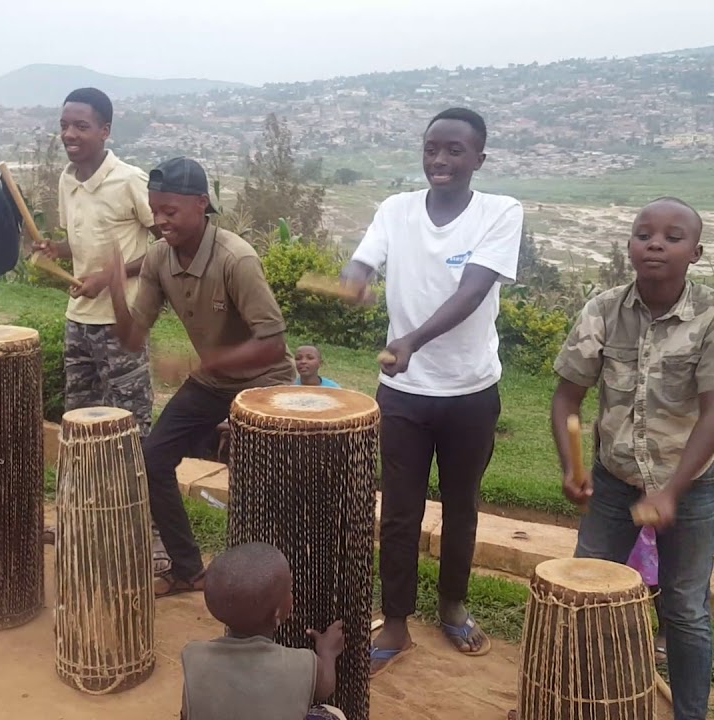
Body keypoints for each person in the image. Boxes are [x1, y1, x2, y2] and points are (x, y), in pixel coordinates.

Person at [551, 197, 714, 720]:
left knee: (684, 608)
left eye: (672, 236)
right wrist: (572, 465)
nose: (656, 243)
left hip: (691, 485)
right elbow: (566, 398)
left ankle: (690, 714)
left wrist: (670, 492)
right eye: (644, 234)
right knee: (586, 593)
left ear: (696, 253)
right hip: (613, 482)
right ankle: (575, 702)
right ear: (631, 247)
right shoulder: (603, 310)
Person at [340, 107, 522, 671]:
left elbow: (472, 291)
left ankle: (452, 608)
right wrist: (354, 282)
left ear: (478, 159)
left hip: (470, 392)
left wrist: (412, 339)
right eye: (431, 149)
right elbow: (362, 262)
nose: (439, 160)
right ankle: (395, 622)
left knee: (462, 506)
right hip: (404, 392)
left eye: (454, 150)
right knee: (398, 510)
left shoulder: (500, 211)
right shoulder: (396, 209)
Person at [107, 156, 296, 597]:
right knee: (153, 460)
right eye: (155, 211)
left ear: (200, 204)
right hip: (213, 382)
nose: (160, 221)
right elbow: (133, 338)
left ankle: (265, 586)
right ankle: (189, 569)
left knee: (257, 483)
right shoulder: (158, 259)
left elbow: (272, 341)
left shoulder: (236, 258)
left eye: (170, 211)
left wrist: (202, 364)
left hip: (264, 383)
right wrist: (117, 293)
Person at [33, 87, 169, 573]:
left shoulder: (130, 181)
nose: (69, 134)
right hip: (79, 325)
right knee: (80, 426)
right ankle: (78, 521)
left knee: (131, 432)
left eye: (82, 126)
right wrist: (57, 250)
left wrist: (112, 277)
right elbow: (81, 243)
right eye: (65, 124)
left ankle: (148, 538)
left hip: (123, 324)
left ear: (105, 130)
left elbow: (164, 246)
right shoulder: (69, 180)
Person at [180, 542, 346, 720]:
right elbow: (325, 687)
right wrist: (328, 653)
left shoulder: (195, 659)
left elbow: (187, 712)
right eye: (289, 590)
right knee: (332, 714)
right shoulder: (303, 664)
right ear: (277, 613)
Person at [627, 526, 667, 662]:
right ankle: (625, 626)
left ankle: (665, 629)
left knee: (656, 570)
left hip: (659, 517)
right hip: (629, 513)